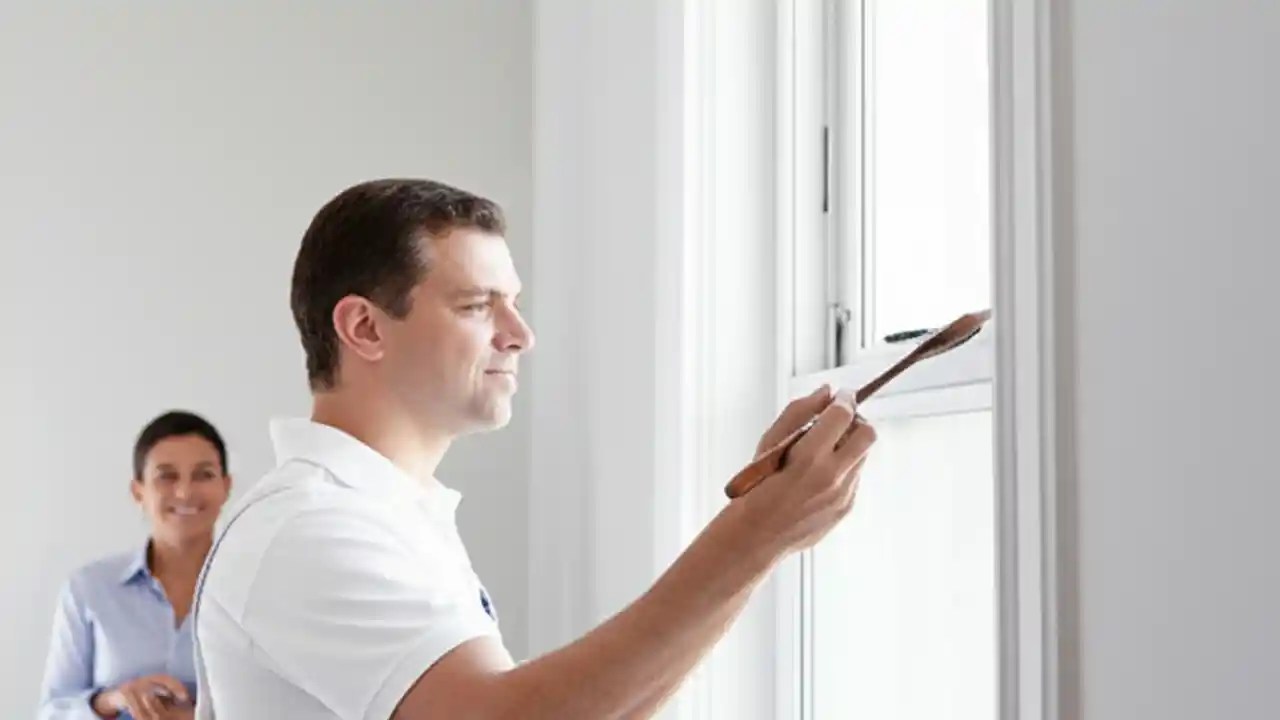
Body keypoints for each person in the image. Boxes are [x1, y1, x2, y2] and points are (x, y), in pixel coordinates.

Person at [193, 178, 876, 719]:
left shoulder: (383, 517)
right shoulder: (310, 528)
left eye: (512, 302)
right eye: (476, 305)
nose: (519, 334)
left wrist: (762, 533)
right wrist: (752, 536)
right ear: (365, 327)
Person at [39, 411, 233, 720]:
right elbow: (51, 713)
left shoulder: (256, 592)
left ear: (226, 487)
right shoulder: (88, 590)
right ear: (138, 491)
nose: (184, 492)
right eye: (166, 476)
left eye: (203, 474)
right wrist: (111, 701)